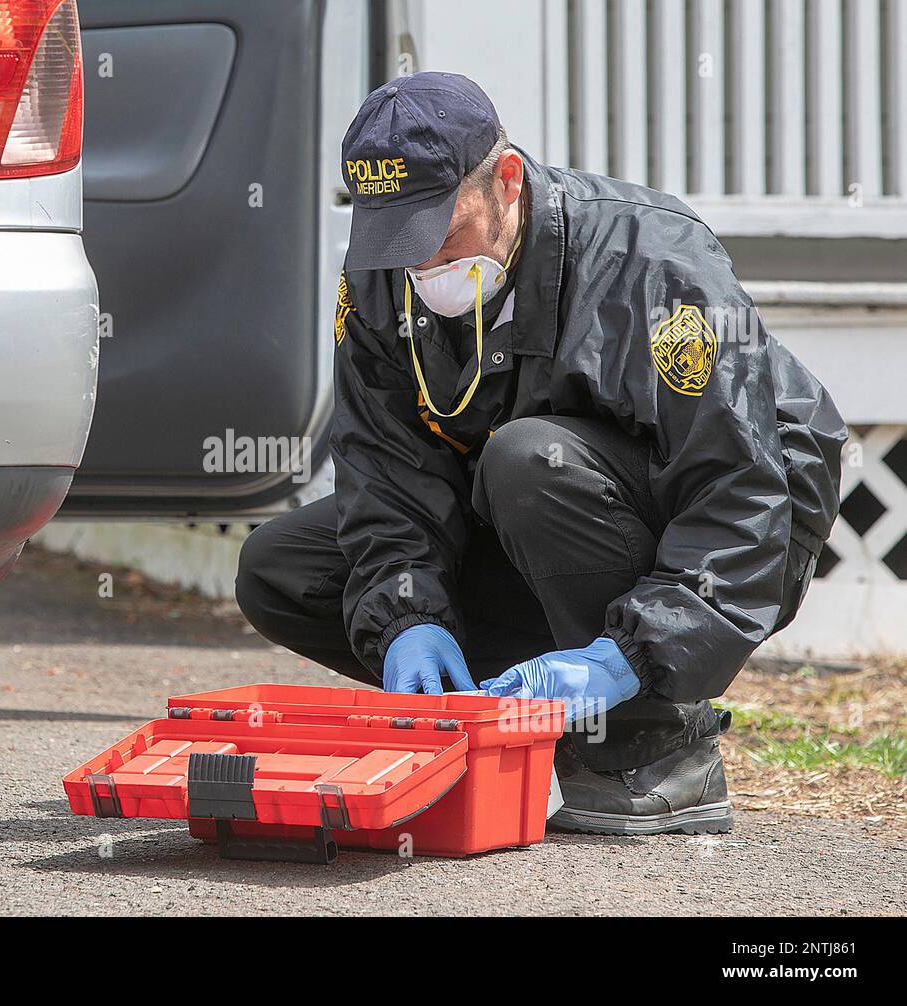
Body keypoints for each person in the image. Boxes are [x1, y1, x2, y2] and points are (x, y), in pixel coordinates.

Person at [235, 72, 846, 835]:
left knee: (528, 459)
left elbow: (739, 484)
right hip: (534, 513)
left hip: (743, 524)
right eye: (397, 243)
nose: (421, 268)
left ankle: (654, 744)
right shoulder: (381, 279)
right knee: (283, 567)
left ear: (507, 181)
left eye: (439, 234)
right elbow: (383, 468)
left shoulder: (651, 261)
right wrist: (408, 613)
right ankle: (522, 716)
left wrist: (629, 657)